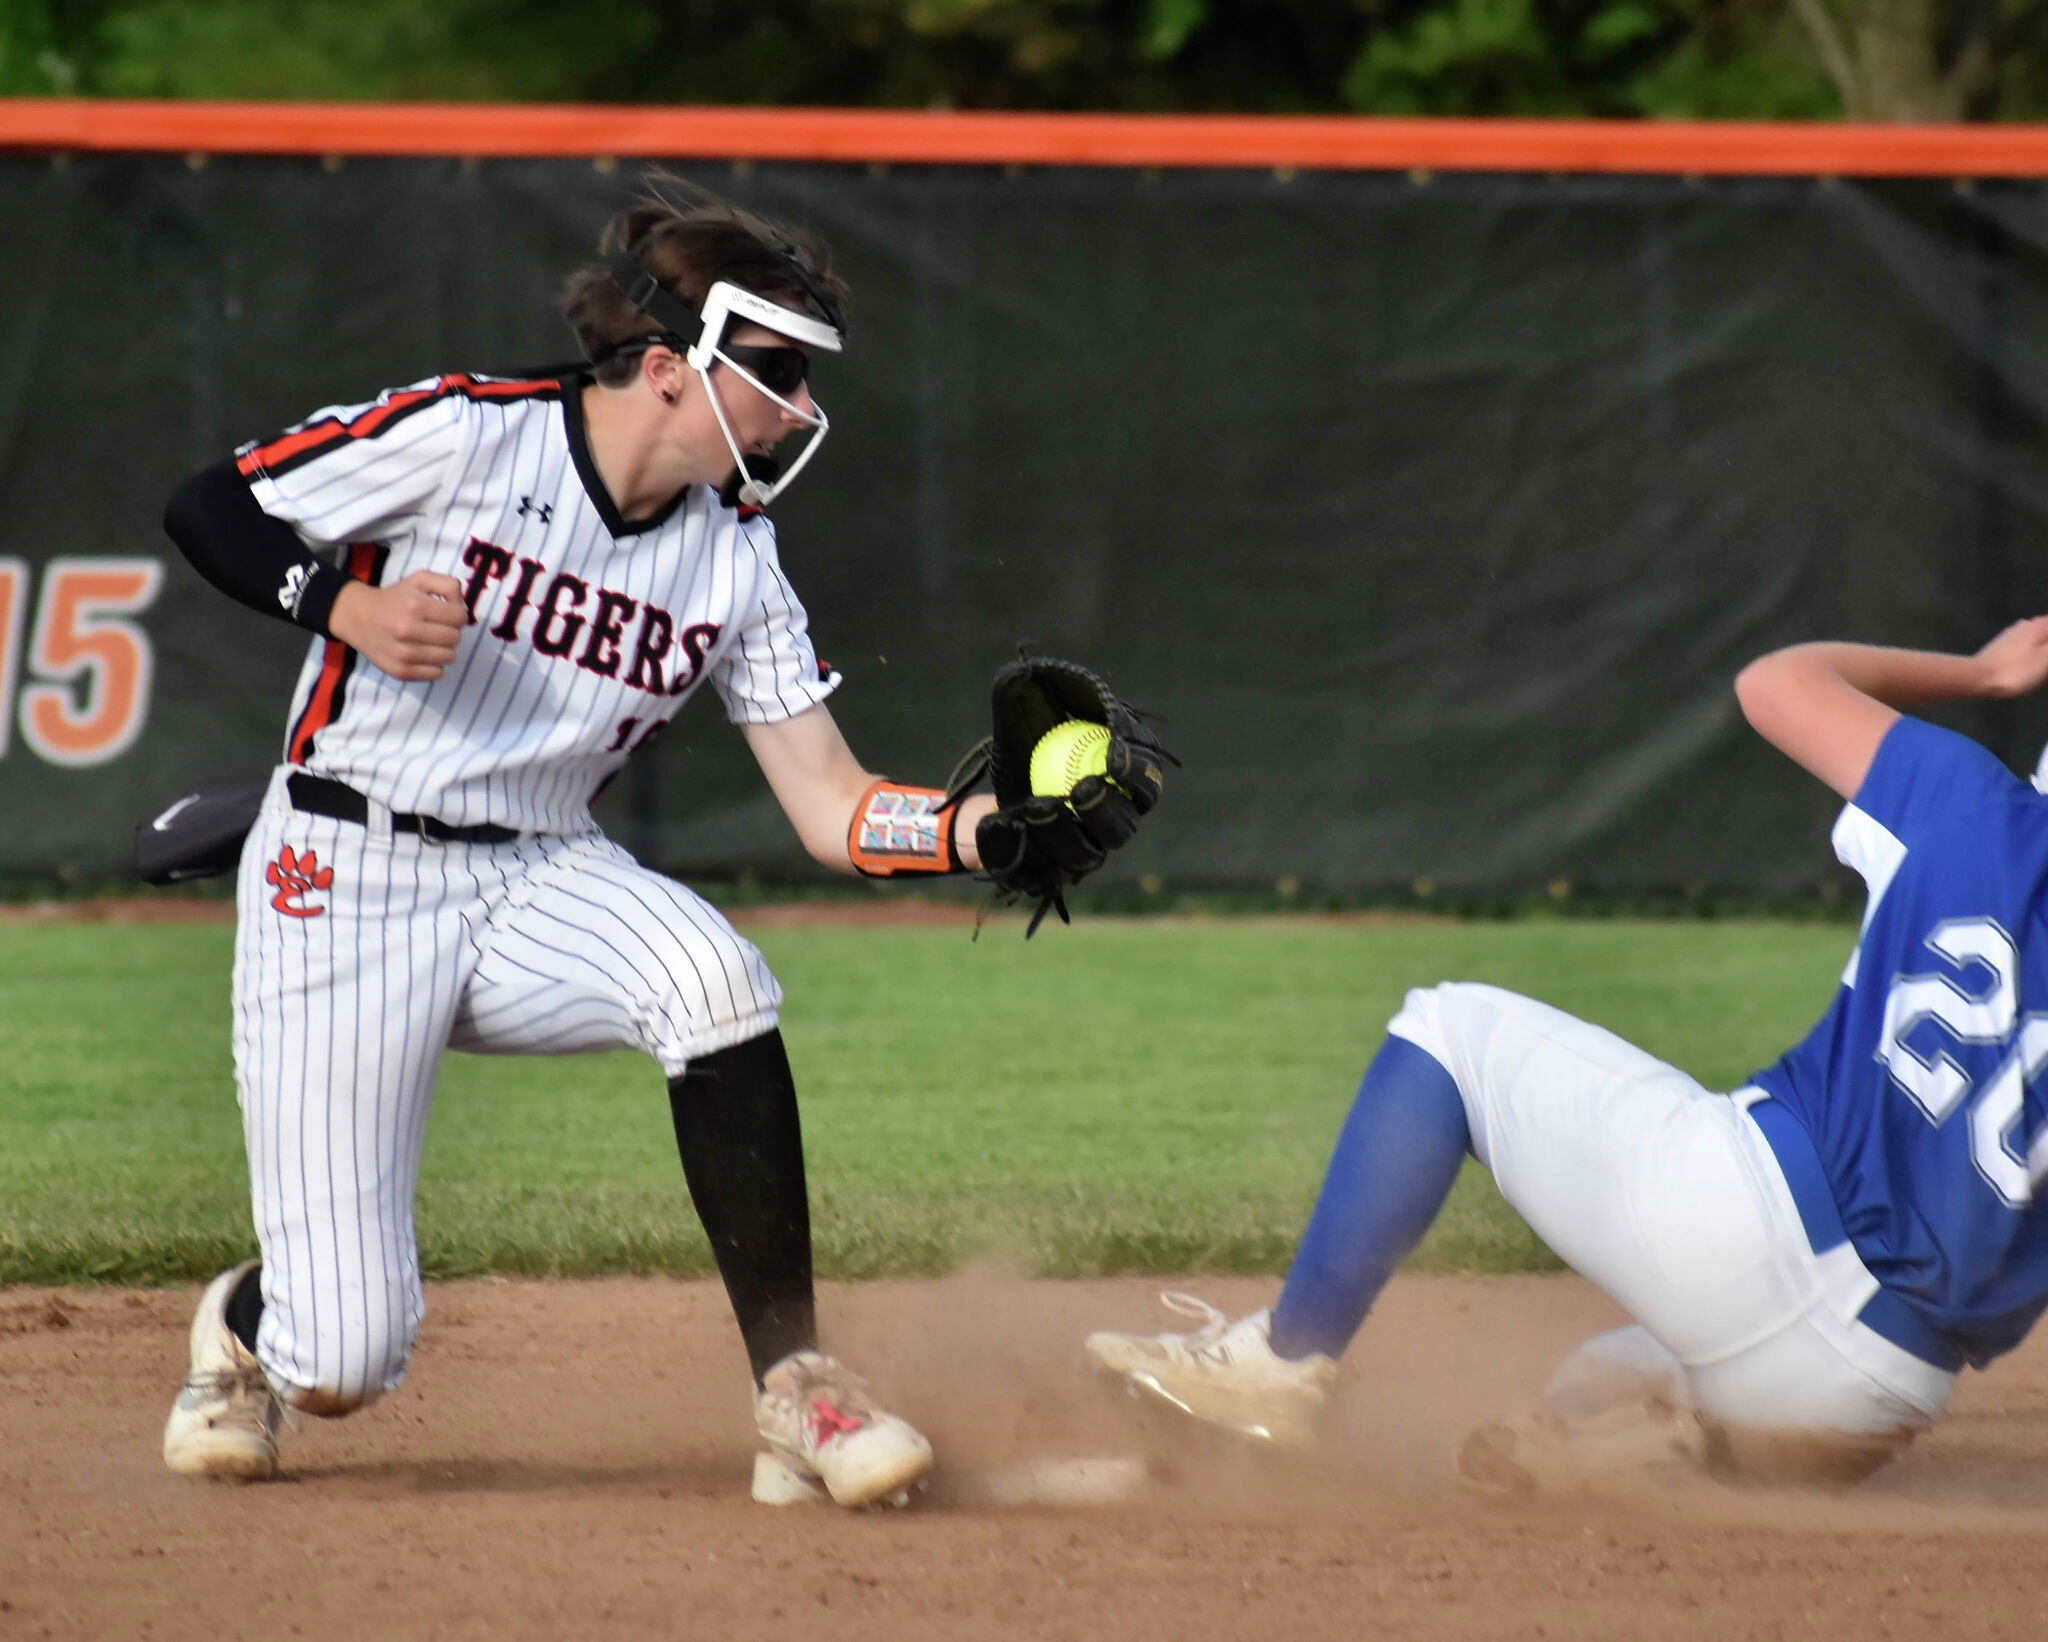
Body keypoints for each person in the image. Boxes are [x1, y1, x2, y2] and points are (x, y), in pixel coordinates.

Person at [156, 182, 1148, 1508]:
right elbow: (213, 502)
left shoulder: (737, 557)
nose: (801, 407)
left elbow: (833, 803)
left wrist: (986, 830)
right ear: (673, 368)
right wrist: (346, 606)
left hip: (536, 868)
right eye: (778, 371)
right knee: (346, 1354)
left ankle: (797, 1387)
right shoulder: (471, 434)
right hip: (343, 872)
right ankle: (247, 1319)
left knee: (714, 977)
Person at [1087, 619, 2048, 1491]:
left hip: (1740, 1227)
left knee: (1447, 1034)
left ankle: (1281, 1366)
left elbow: (1777, 683)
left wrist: (1985, 673)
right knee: (1615, 1371)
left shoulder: (1972, 805)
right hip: (1876, 1391)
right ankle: (1644, 1446)